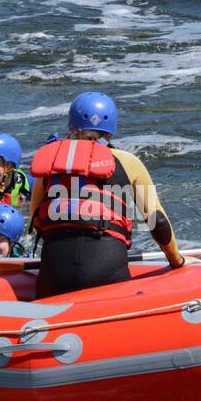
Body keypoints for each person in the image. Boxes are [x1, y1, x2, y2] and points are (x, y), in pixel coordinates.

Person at [26, 91, 184, 297]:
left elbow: (36, 221)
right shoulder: (128, 162)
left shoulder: (52, 161)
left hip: (54, 272)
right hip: (106, 269)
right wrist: (177, 261)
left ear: (72, 127)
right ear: (111, 130)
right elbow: (158, 221)